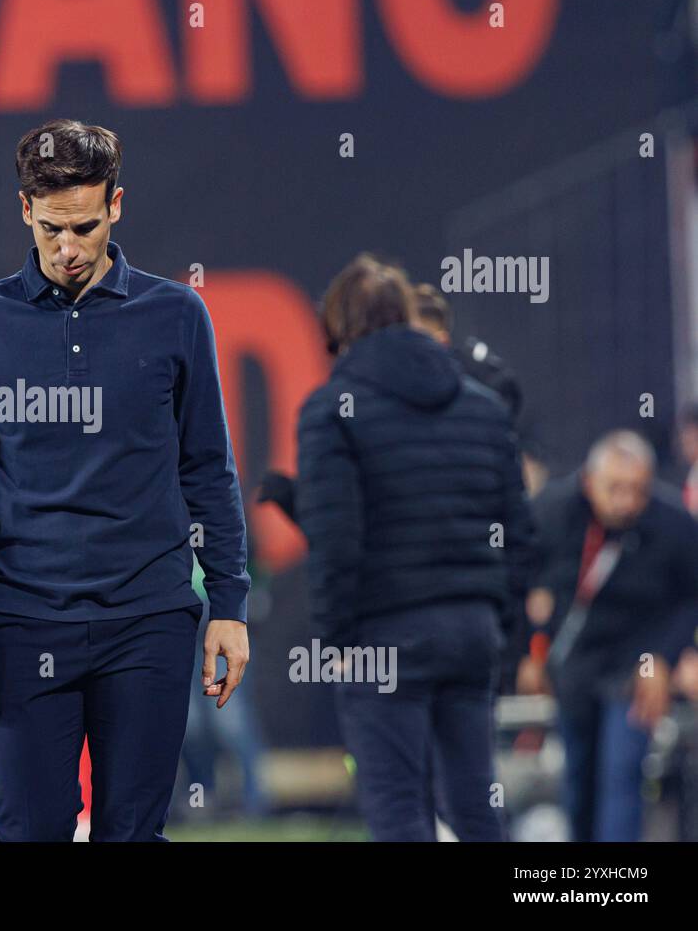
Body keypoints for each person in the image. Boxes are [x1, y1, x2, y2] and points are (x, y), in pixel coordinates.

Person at [0, 118, 251, 841]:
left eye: (87, 227)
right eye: (52, 229)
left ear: (118, 206)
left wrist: (229, 600)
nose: (68, 249)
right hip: (22, 616)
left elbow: (208, 468)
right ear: (25, 210)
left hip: (149, 618)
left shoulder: (176, 315)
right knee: (31, 831)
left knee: (131, 833)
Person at [294, 254, 533, 841]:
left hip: (383, 636)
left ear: (340, 328)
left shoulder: (332, 411)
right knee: (477, 806)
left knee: (399, 809)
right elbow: (519, 534)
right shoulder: (482, 407)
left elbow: (336, 542)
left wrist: (338, 639)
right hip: (472, 632)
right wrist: (501, 627)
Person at [519, 430, 698, 841]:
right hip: (576, 663)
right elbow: (519, 580)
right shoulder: (553, 512)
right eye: (615, 489)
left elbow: (691, 598)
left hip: (636, 663)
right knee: (579, 778)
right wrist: (531, 648)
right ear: (589, 482)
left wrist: (662, 657)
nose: (627, 502)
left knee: (621, 774)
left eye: (637, 491)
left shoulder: (673, 524)